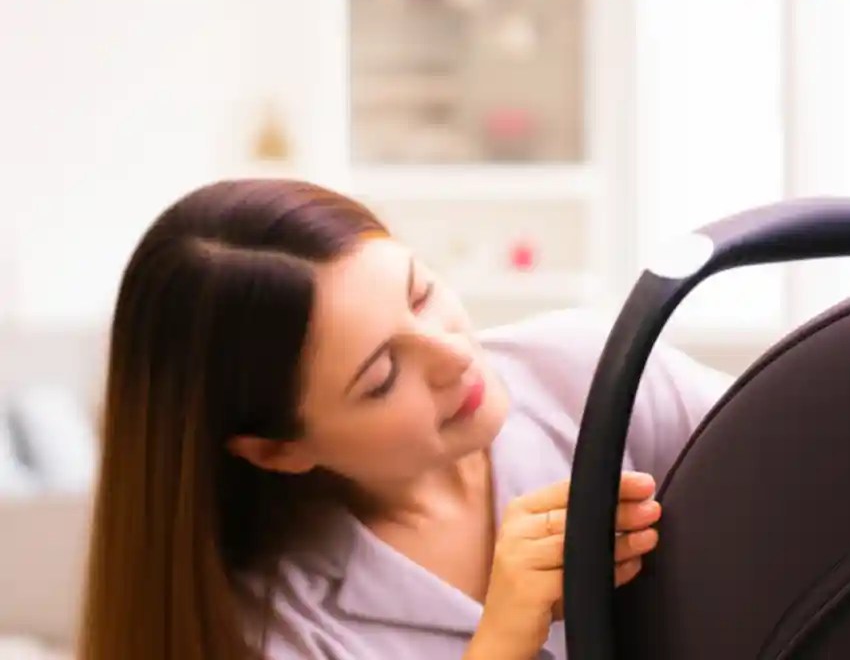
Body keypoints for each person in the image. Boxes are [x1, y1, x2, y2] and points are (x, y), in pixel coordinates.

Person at [77, 179, 735, 659]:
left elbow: (779, 462)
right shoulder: (274, 630)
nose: (454, 356)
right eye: (383, 376)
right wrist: (502, 640)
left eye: (420, 294)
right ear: (278, 450)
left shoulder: (587, 370)